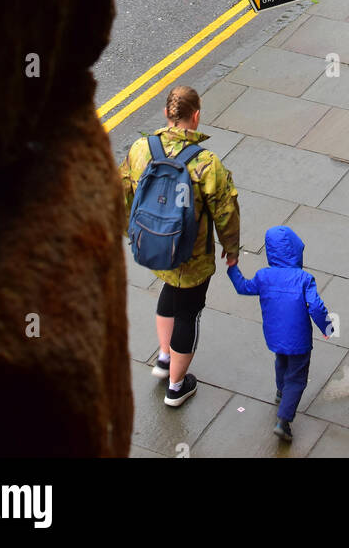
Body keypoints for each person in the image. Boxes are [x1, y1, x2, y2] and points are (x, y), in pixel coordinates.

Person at [119, 84, 240, 407]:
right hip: (192, 255)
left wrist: (132, 233)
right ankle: (176, 386)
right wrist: (232, 249)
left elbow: (123, 192)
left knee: (169, 294)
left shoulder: (142, 148)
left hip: (155, 247)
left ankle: (163, 358)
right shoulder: (207, 163)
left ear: (166, 114)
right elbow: (225, 211)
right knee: (188, 313)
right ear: (196, 116)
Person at [228, 225, 330, 443]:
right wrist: (327, 327)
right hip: (299, 339)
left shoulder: (263, 276)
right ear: (295, 250)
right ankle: (284, 421)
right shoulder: (304, 279)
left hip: (275, 337)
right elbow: (316, 307)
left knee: (281, 361)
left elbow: (243, 287)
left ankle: (280, 392)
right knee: (297, 378)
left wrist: (232, 268)